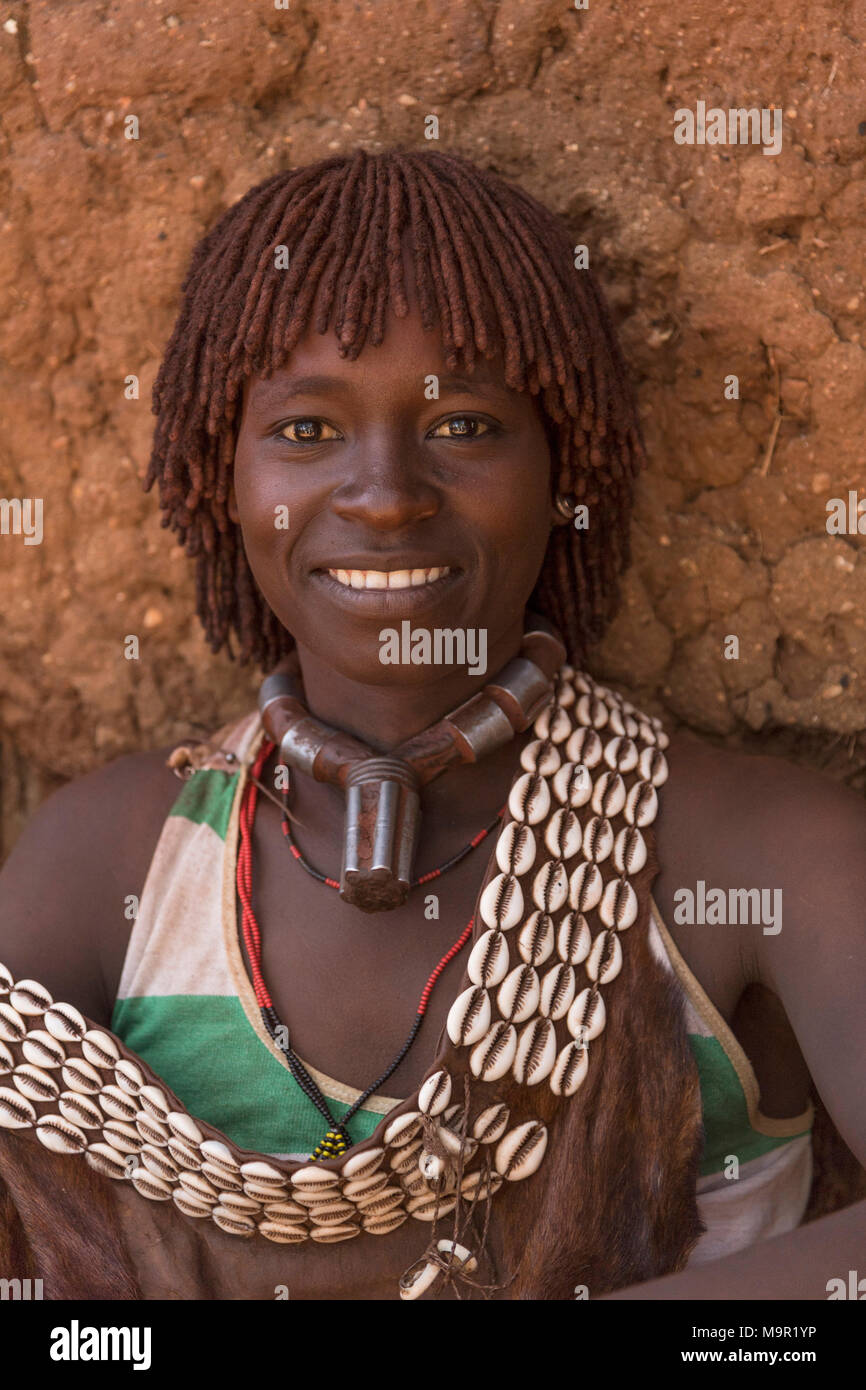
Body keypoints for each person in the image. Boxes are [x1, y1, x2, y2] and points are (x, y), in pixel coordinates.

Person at [0, 147, 863, 1301]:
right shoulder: (107, 860)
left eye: (462, 426)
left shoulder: (758, 852)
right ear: (219, 478)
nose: (385, 493)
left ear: (565, 470)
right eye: (305, 431)